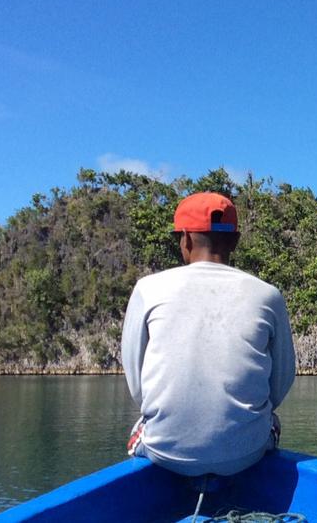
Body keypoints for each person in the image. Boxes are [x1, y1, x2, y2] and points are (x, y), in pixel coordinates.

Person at [121, 191, 295, 477]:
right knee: (270, 421)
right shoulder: (268, 295)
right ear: (236, 241)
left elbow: (136, 383)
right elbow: (282, 381)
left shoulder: (148, 289)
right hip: (245, 454)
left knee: (141, 427)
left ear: (186, 238)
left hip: (165, 451)